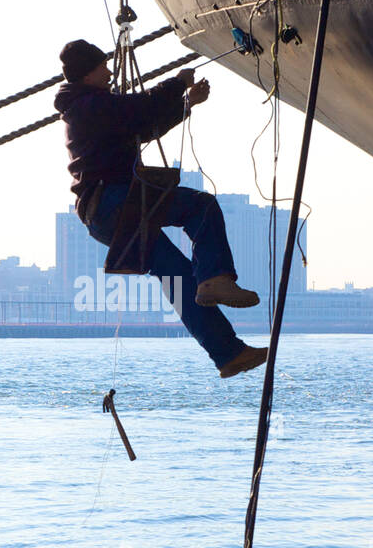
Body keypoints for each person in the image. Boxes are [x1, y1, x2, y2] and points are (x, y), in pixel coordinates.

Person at [54, 38, 268, 378]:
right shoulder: (88, 106)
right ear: (86, 74)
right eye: (102, 67)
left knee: (178, 277)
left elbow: (141, 127)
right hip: (114, 201)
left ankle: (228, 354)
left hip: (104, 211)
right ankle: (216, 278)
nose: (110, 73)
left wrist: (186, 104)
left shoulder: (90, 108)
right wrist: (177, 83)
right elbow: (141, 109)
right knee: (201, 206)